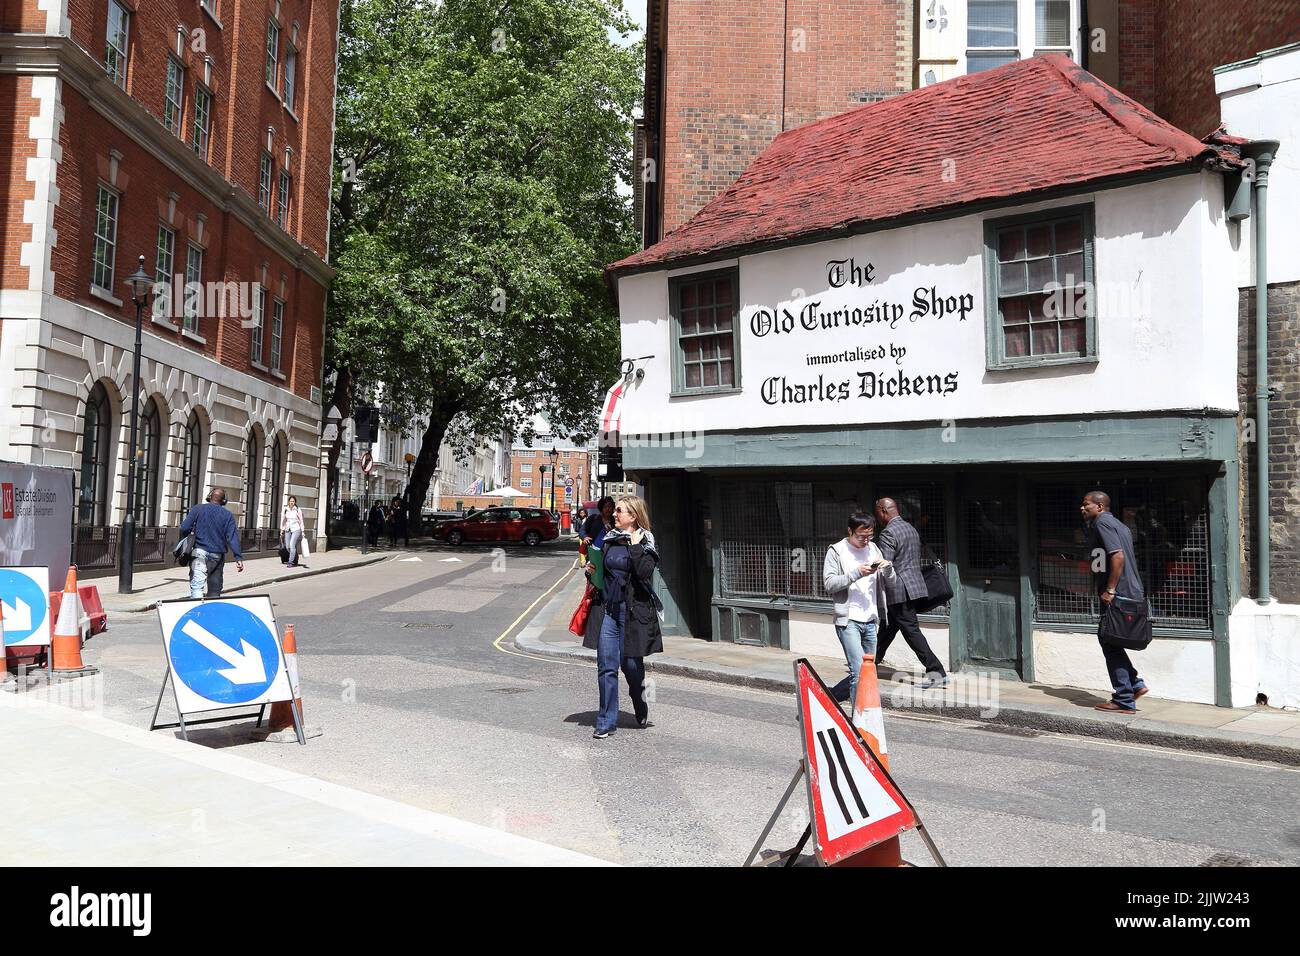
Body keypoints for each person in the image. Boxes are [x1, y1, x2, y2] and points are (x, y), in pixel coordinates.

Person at [582, 495, 662, 739]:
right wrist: (591, 571)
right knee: (606, 666)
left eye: (619, 511)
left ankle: (639, 701)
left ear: (633, 516)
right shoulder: (608, 537)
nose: (613, 514)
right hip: (609, 610)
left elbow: (645, 573)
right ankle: (606, 720)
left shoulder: (646, 541)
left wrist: (635, 546)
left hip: (633, 613)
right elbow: (599, 567)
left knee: (631, 666)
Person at [1082, 491, 1150, 713]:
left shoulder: (1101, 523)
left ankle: (1124, 698)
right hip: (1130, 590)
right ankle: (1134, 685)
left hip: (1118, 593)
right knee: (1111, 639)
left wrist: (1110, 589)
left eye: (1086, 505)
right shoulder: (1120, 525)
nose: (1082, 508)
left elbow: (1117, 556)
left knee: (1109, 641)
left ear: (1100, 507)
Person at [874, 497, 949, 688]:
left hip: (898, 591)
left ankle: (936, 671)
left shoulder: (888, 533)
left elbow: (886, 565)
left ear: (883, 511)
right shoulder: (910, 528)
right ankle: (868, 664)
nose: (878, 518)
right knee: (887, 629)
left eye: (877, 513)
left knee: (911, 631)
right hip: (913, 588)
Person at [824, 512, 896, 704]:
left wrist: (888, 568)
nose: (865, 540)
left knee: (867, 672)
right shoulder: (837, 551)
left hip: (871, 620)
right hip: (848, 621)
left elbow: (891, 582)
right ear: (850, 531)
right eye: (861, 536)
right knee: (857, 670)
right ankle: (858, 721)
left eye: (869, 536)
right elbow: (829, 584)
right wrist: (855, 573)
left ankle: (828, 700)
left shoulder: (873, 549)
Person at [179, 488, 244, 598]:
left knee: (197, 586)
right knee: (215, 588)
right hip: (217, 554)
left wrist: (186, 539)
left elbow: (184, 527)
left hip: (199, 551)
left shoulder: (198, 509)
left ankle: (198, 611)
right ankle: (211, 611)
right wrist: (238, 557)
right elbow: (232, 537)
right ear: (224, 501)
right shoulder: (227, 515)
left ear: (209, 497)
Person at [280, 494, 305, 568]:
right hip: (288, 529)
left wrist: (303, 531)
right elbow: (284, 521)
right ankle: (295, 556)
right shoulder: (285, 510)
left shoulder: (297, 509)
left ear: (295, 502)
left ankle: (290, 562)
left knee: (292, 545)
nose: (291, 502)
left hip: (296, 529)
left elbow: (301, 521)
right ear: (288, 502)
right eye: (290, 501)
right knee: (288, 547)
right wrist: (282, 529)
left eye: (293, 501)